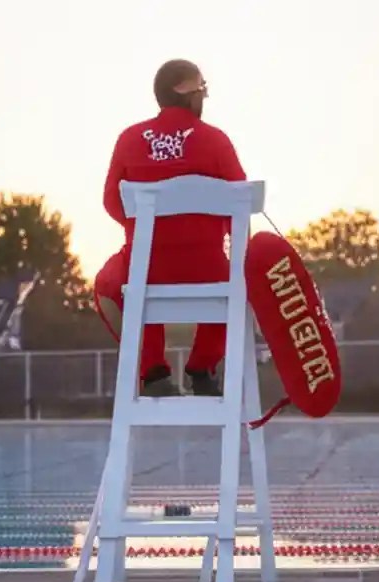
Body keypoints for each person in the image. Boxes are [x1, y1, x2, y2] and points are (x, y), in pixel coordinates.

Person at [94, 58, 246, 397]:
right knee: (240, 280)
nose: (204, 98)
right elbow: (240, 202)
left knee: (109, 286)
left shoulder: (129, 139)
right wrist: (210, 231)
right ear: (184, 92)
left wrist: (144, 231)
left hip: (145, 267)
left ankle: (153, 371)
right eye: (201, 89)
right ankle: (202, 367)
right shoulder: (215, 140)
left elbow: (111, 201)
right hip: (208, 267)